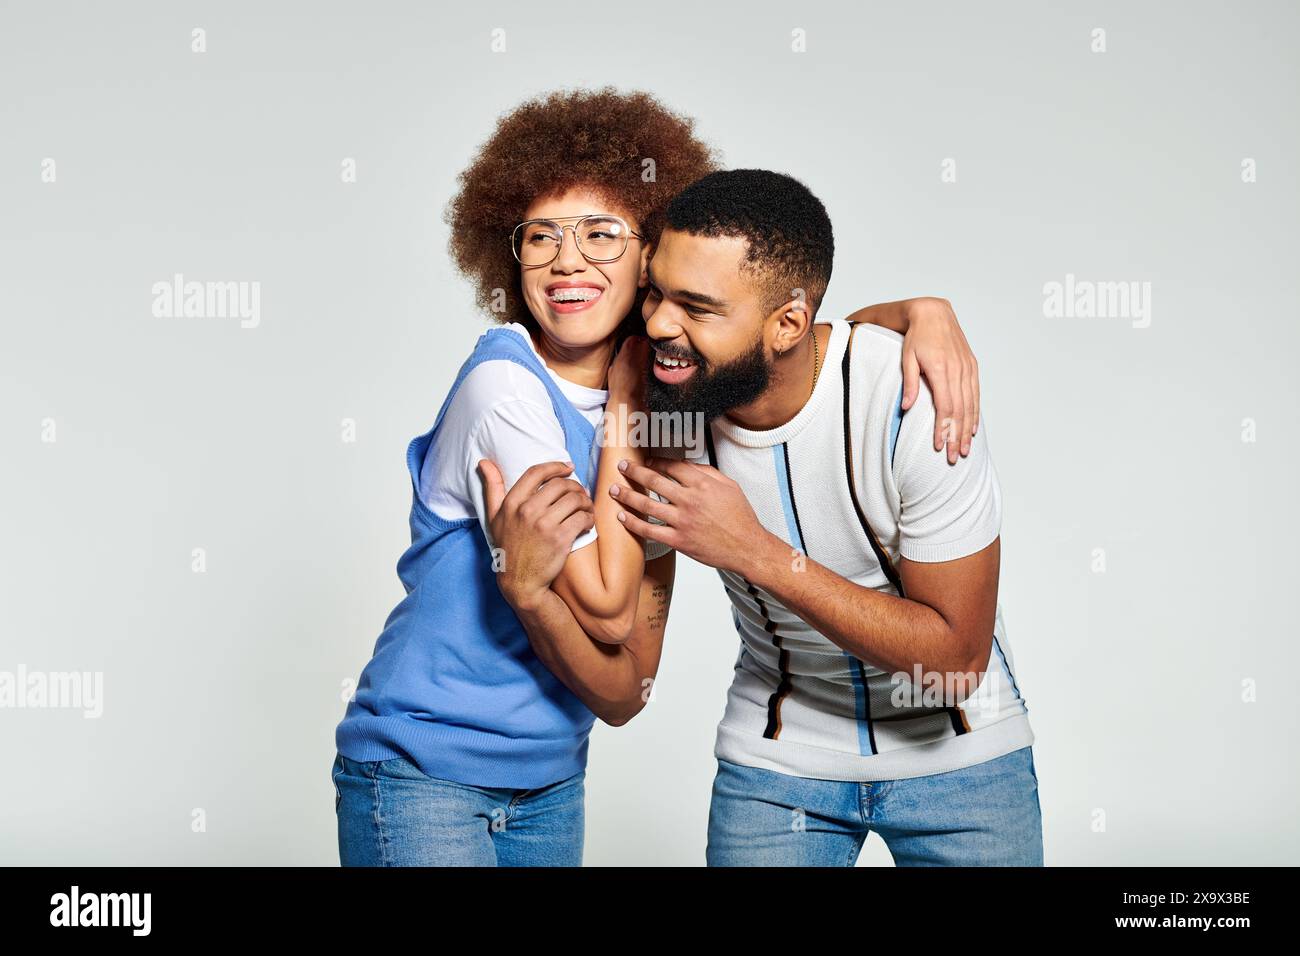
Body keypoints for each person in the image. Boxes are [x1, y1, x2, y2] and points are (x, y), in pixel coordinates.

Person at [333, 88, 984, 867]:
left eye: (601, 233)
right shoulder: (506, 388)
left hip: (546, 779)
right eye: (541, 236)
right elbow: (609, 610)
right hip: (422, 770)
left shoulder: (673, 401)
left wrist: (919, 310)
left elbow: (623, 691)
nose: (567, 258)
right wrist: (626, 410)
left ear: (654, 256)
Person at [491, 168, 1040, 866]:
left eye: (696, 305)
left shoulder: (914, 399)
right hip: (777, 764)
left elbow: (957, 662)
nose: (658, 322)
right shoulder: (665, 411)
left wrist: (753, 550)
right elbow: (625, 664)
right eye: (656, 291)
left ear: (787, 323)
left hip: (961, 758)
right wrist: (529, 591)